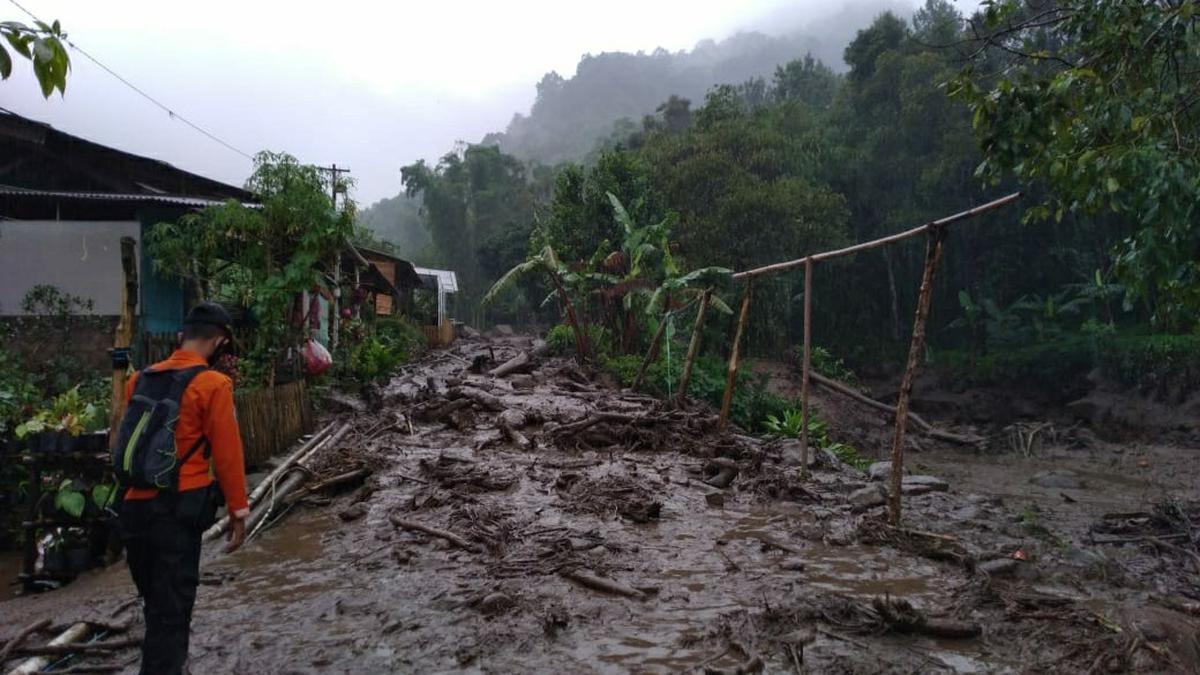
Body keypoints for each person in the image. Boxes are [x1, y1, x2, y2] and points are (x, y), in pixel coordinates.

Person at [117, 302, 249, 675]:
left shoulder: (138, 380)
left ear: (181, 336)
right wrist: (238, 510)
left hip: (132, 509)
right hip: (177, 513)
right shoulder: (213, 385)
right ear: (219, 341)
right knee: (172, 610)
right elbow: (227, 454)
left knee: (156, 604)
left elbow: (127, 442)